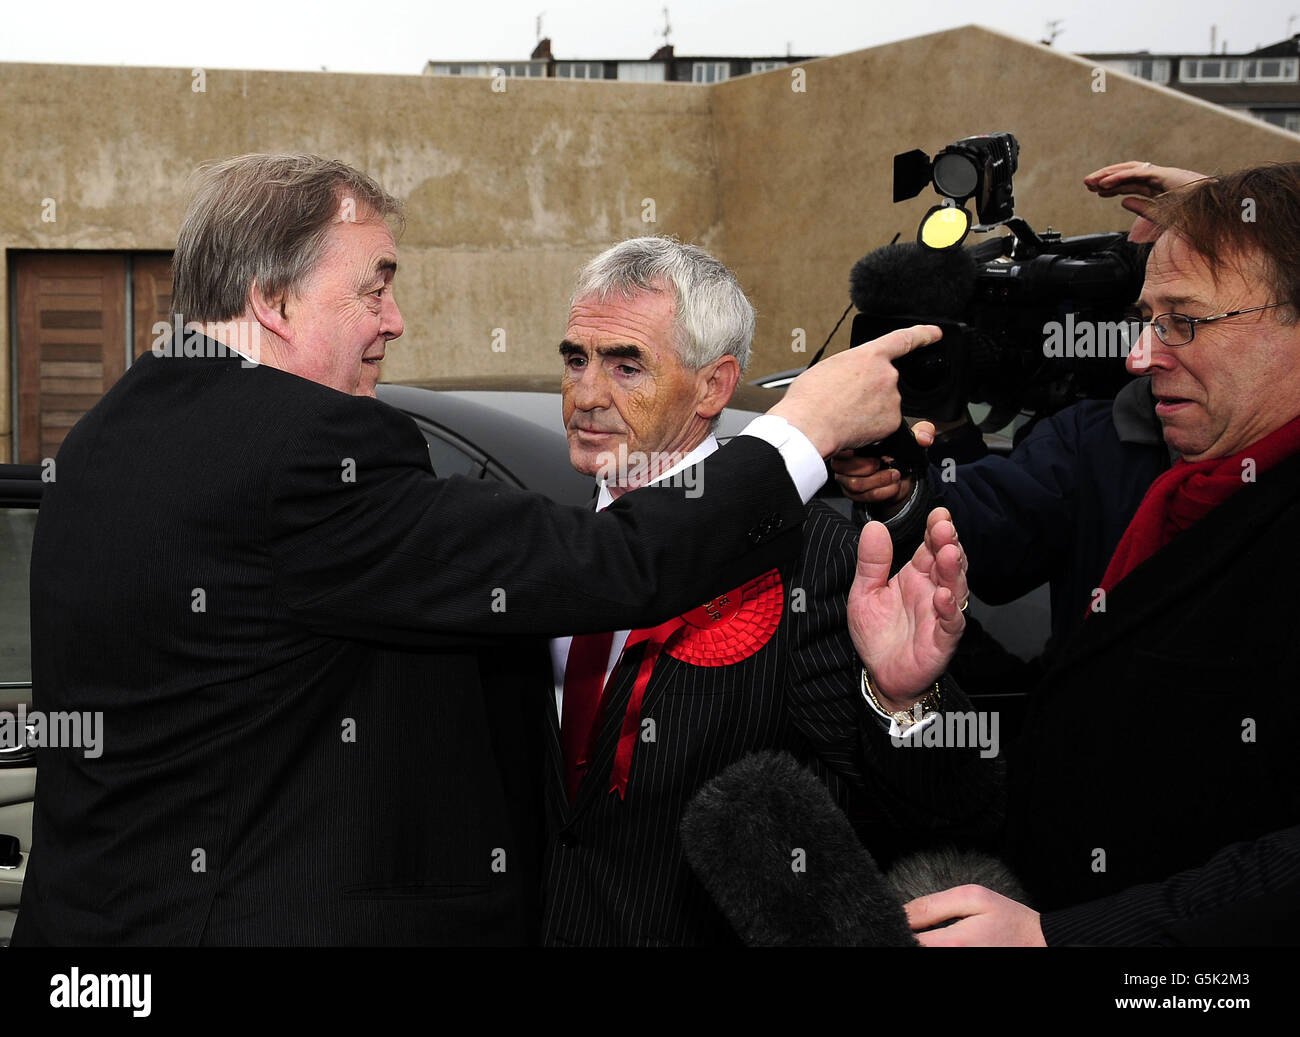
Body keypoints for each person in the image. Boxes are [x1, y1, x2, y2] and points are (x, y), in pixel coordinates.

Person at [12, 154, 961, 946]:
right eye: (374, 285)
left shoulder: (105, 437)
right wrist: (801, 430)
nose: (395, 320)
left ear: (713, 384)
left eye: (626, 362)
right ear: (272, 301)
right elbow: (612, 568)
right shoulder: (306, 453)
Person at [537, 238, 996, 946]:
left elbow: (946, 807)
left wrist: (905, 700)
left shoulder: (812, 557)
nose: (587, 395)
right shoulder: (540, 538)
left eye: (626, 365)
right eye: (576, 358)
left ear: (715, 386)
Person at [891, 161, 1300, 945]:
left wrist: (1063, 940)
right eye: (1146, 317)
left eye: (1185, 320)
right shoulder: (1161, 476)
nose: (1141, 357)